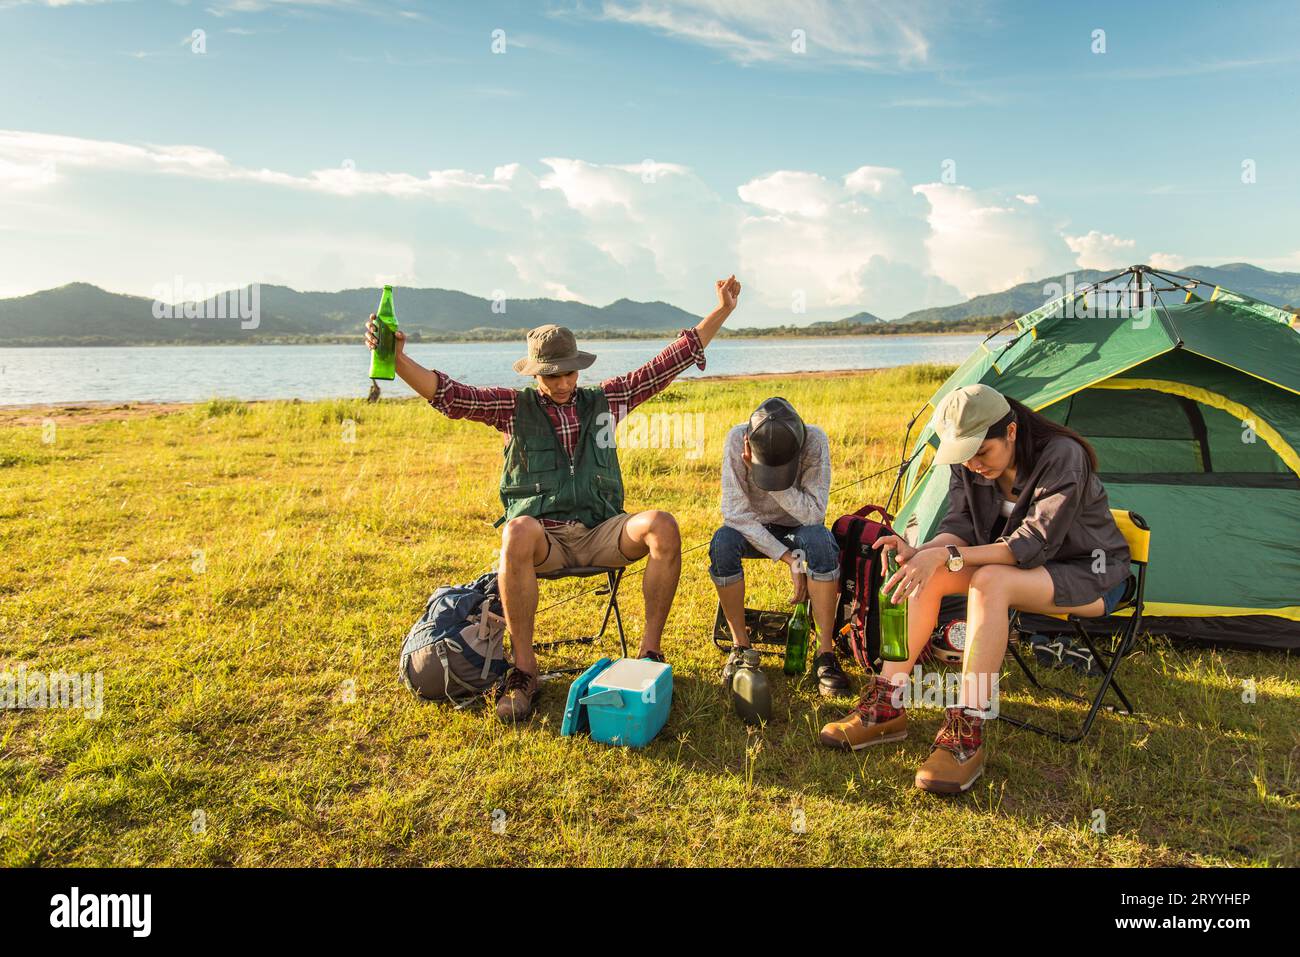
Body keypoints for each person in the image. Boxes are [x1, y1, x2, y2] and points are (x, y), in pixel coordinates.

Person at [365, 277, 742, 722]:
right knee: (516, 530)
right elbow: (448, 394)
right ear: (535, 373)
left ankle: (648, 655)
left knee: (662, 523)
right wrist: (397, 356)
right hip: (545, 540)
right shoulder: (511, 407)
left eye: (569, 371)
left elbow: (665, 364)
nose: (563, 382)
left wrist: (722, 309)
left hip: (602, 531)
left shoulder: (607, 399)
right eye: (552, 374)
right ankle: (523, 672)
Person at [819, 384, 1132, 793]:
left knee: (988, 581)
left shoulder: (1061, 457)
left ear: (1012, 433)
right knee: (925, 571)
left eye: (982, 452)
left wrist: (948, 556)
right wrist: (921, 552)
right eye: (965, 454)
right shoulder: (966, 462)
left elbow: (1030, 546)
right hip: (1017, 568)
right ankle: (887, 704)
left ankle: (966, 730)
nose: (974, 463)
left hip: (1089, 573)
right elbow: (961, 526)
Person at [710, 397, 852, 697]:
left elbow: (814, 515)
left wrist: (774, 484)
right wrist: (789, 559)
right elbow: (736, 515)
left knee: (821, 542)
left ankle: (824, 654)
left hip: (799, 527)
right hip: (752, 528)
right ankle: (741, 647)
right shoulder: (737, 439)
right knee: (722, 544)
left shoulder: (814, 439)